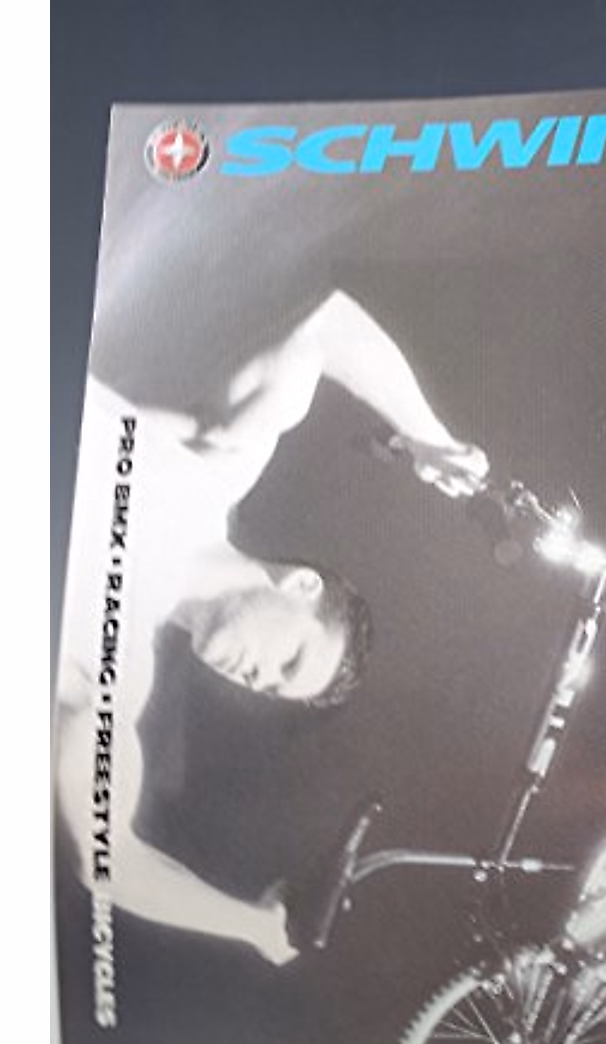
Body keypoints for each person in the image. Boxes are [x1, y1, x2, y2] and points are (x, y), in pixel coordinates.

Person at [53, 290, 488, 966]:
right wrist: (431, 438)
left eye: (269, 689)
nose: (256, 679)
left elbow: (110, 861)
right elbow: (324, 324)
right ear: (301, 586)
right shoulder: (211, 468)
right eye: (289, 662)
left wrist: (255, 926)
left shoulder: (116, 672)